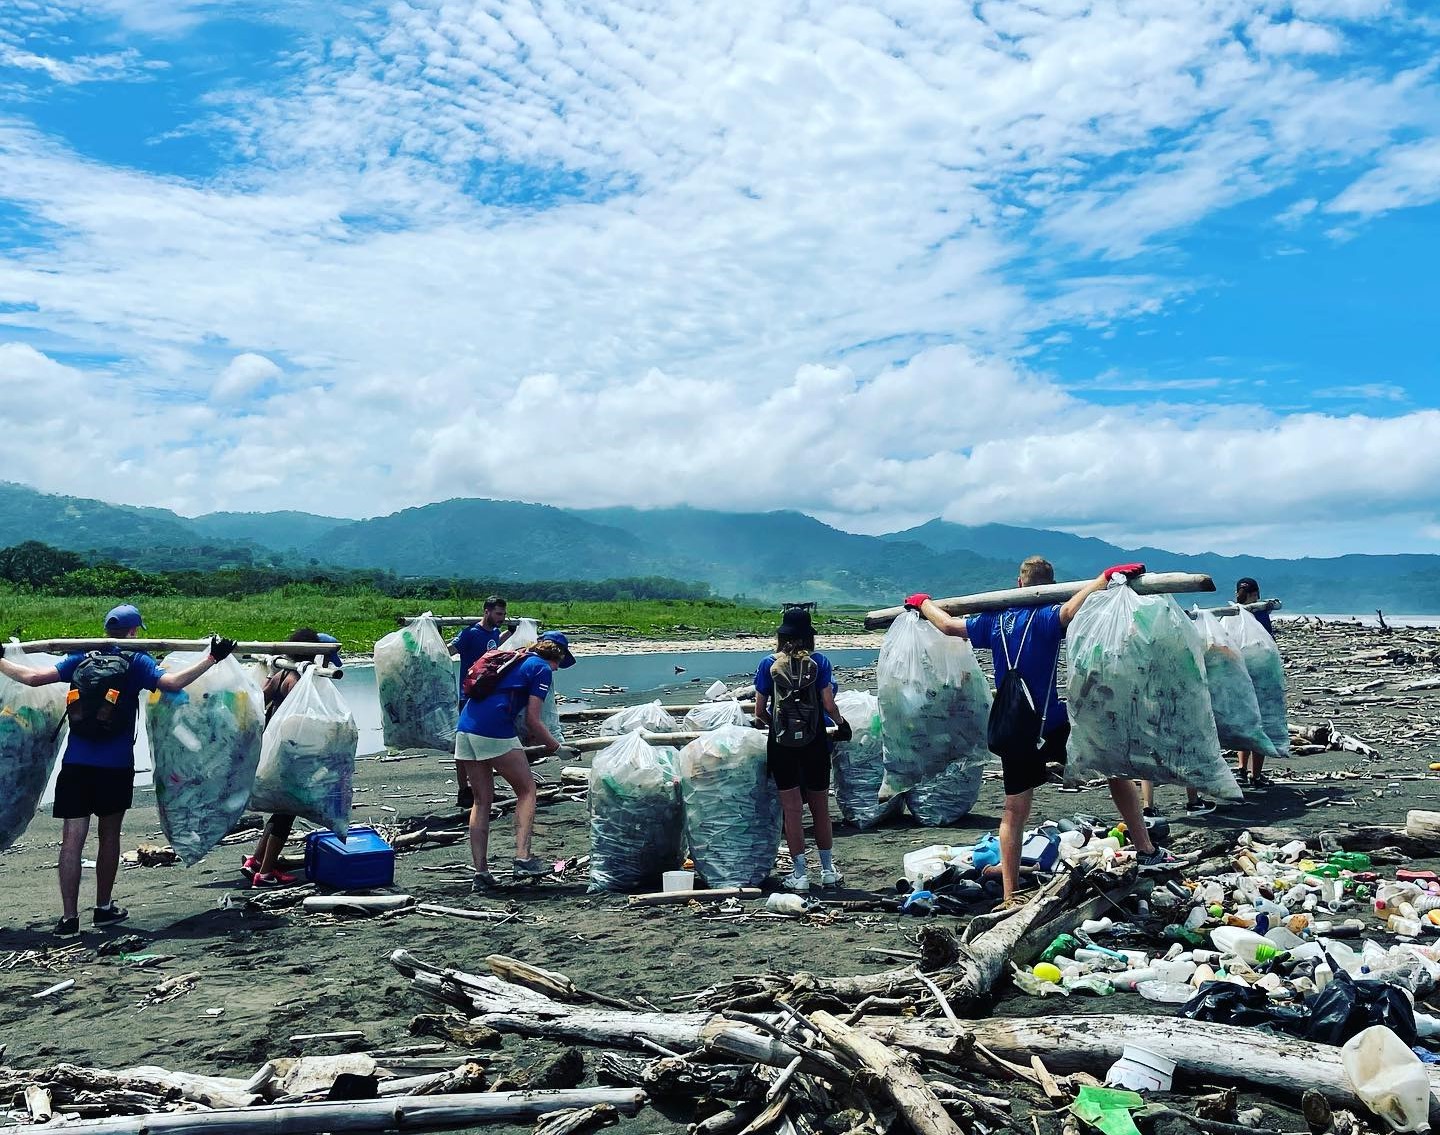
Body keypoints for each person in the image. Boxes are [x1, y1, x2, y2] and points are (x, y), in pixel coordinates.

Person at [907, 558, 1178, 907]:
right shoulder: (1046, 617)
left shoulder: (993, 620)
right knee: (1114, 769)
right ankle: (1146, 848)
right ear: (1049, 586)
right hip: (1050, 723)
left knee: (1014, 810)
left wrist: (923, 603)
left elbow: (947, 626)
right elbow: (1071, 610)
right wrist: (1104, 577)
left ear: (1019, 584)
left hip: (1014, 727)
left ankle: (1010, 894)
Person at [0, 605, 236, 938]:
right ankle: (103, 907)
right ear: (134, 631)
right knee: (109, 837)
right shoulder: (137, 661)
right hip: (116, 766)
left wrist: (1, 659)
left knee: (71, 842)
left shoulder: (82, 657)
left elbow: (32, 678)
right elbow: (172, 683)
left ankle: (68, 919)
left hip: (76, 764)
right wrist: (212, 658)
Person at [455, 630, 572, 889]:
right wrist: (556, 747)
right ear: (558, 656)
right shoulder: (541, 668)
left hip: (465, 728)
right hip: (493, 730)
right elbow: (533, 719)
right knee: (527, 790)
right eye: (560, 663)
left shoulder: (516, 658)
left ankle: (481, 874)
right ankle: (522, 858)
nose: (557, 669)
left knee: (481, 801)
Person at [753, 606, 851, 893]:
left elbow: (759, 712)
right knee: (820, 807)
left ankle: (799, 875)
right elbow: (829, 704)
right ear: (810, 636)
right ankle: (828, 871)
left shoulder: (767, 663)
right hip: (815, 741)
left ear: (781, 636)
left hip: (782, 745)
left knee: (792, 809)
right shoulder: (820, 662)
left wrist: (777, 727)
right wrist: (841, 724)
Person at [243, 628, 343, 887]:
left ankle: (256, 860)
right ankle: (266, 872)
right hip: (291, 753)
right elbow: (304, 722)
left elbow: (259, 701)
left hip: (273, 749)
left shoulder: (280, 676)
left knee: (281, 809)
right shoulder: (298, 681)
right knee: (287, 811)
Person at [450, 596, 510, 810]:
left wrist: (511, 632)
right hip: (468, 695)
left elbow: (493, 644)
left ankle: (486, 790)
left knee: (485, 741)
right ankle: (464, 790)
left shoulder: (493, 632)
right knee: (464, 744)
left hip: (487, 694)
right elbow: (450, 650)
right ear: (487, 611)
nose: (502, 618)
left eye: (504, 614)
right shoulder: (470, 633)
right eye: (498, 614)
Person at [1234, 577, 1274, 788]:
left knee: (1244, 722)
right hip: (1259, 675)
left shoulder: (1230, 614)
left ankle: (1241, 768)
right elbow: (1268, 645)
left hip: (1237, 676)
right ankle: (1255, 774)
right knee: (1260, 723)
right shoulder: (1260, 613)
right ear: (1255, 594)